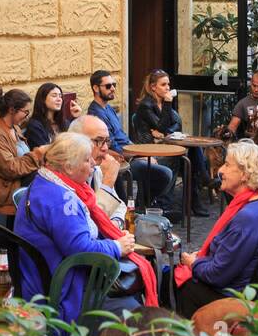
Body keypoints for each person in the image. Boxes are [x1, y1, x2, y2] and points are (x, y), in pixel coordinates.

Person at [15, 133, 158, 325]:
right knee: (135, 310)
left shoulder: (45, 183)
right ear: (68, 166)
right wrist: (116, 246)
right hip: (64, 293)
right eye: (86, 159)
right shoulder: (62, 200)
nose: (93, 163)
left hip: (48, 279)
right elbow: (80, 247)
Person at [171, 142, 258, 318]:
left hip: (237, 299)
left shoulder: (249, 217)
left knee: (168, 280)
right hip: (254, 288)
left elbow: (216, 275)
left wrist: (193, 263)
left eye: (227, 165)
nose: (220, 171)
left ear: (244, 174)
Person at [87, 70, 173, 211]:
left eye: (113, 85)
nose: (113, 88)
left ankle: (145, 206)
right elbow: (110, 145)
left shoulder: (109, 108)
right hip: (122, 159)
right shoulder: (96, 113)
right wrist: (139, 155)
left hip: (131, 153)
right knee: (165, 173)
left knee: (173, 164)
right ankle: (144, 206)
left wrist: (140, 152)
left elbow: (123, 137)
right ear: (96, 88)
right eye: (108, 86)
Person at [132, 69, 212, 215]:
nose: (168, 88)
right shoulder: (146, 105)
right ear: (153, 87)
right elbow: (162, 125)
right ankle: (179, 202)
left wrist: (164, 134)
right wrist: (168, 106)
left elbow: (177, 124)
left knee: (193, 151)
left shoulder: (163, 103)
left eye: (168, 84)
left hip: (163, 145)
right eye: (163, 85)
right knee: (181, 158)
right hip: (149, 150)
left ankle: (192, 200)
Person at [0, 87, 41, 225]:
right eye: (25, 112)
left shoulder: (15, 128)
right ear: (12, 110)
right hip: (8, 191)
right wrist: (37, 155)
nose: (27, 116)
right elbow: (10, 168)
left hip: (22, 183)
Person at [68, 114, 128, 228]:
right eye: (98, 141)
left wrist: (115, 223)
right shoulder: (66, 177)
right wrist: (108, 183)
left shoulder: (96, 168)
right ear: (75, 142)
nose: (105, 148)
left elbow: (119, 206)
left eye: (107, 141)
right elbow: (88, 225)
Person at [24, 82, 63, 154]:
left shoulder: (64, 122)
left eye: (60, 96)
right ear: (43, 99)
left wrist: (76, 117)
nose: (59, 99)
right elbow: (44, 152)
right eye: (54, 96)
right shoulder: (34, 125)